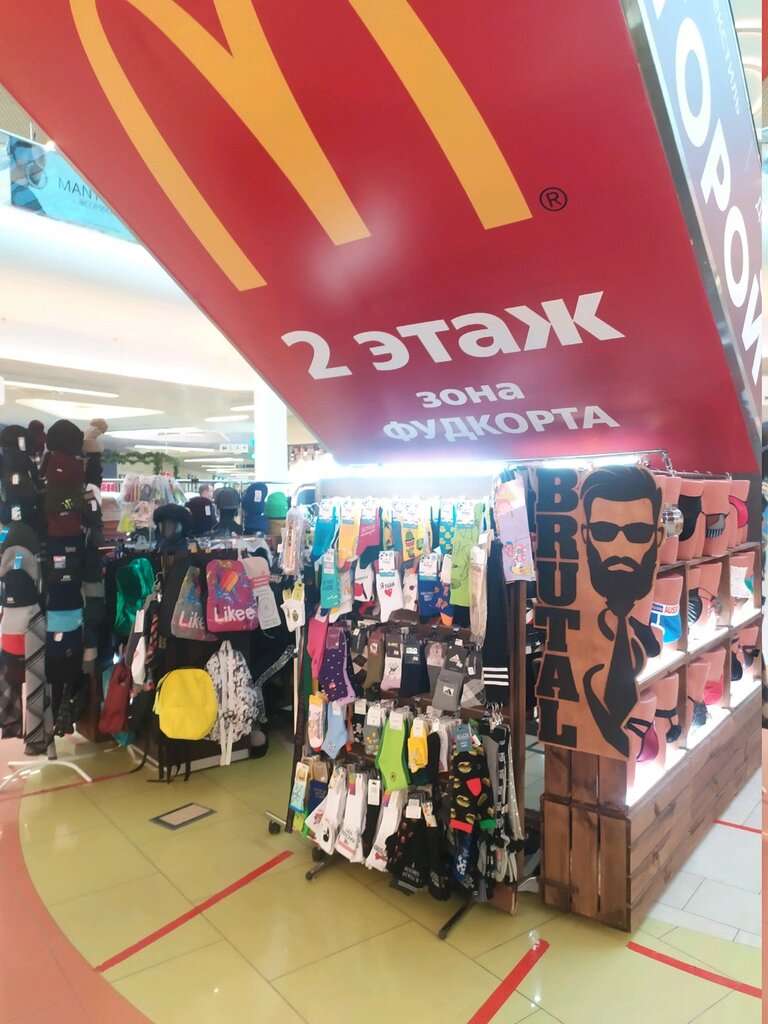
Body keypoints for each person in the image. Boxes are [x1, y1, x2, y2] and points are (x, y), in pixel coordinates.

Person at [579, 467, 663, 756]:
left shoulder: (638, 619)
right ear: (586, 535)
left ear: (657, 537)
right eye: (604, 531)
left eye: (638, 533)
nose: (620, 547)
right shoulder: (580, 624)